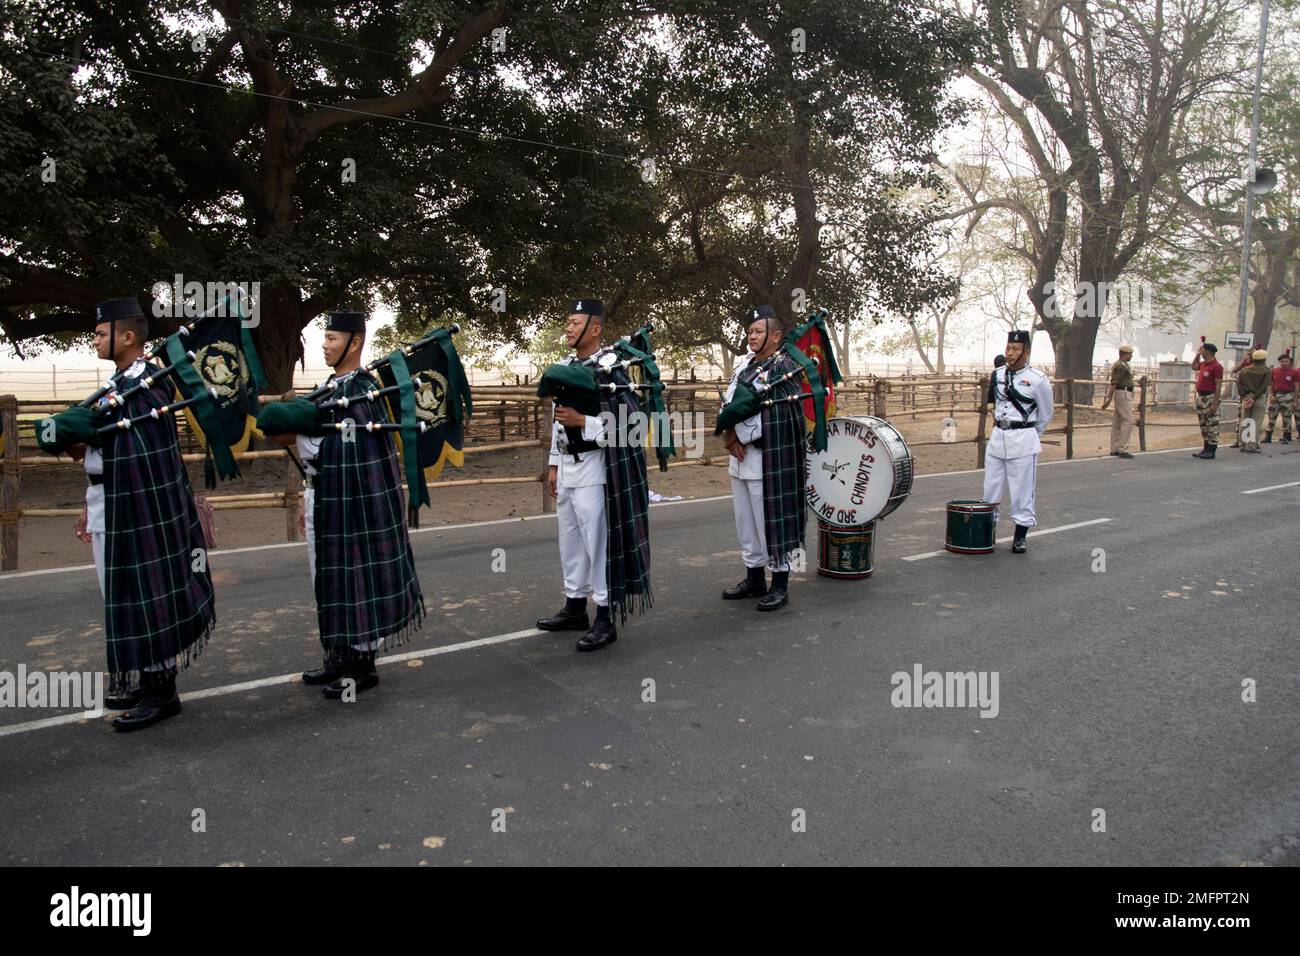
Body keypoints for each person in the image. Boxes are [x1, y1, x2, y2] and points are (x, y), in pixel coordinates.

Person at [38, 297, 216, 730]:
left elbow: (143, 452)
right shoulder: (118, 385)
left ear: (129, 336)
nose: (95, 339)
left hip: (136, 504)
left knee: (145, 591)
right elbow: (94, 451)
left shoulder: (149, 386)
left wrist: (91, 433)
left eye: (102, 333)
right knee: (119, 594)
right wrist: (69, 437)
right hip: (109, 499)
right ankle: (145, 676)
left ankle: (161, 691)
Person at [259, 311, 424, 698]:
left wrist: (304, 434)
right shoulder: (330, 388)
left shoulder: (363, 392)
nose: (325, 345)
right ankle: (337, 653)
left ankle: (361, 665)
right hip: (324, 494)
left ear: (354, 343)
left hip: (352, 501)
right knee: (327, 576)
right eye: (325, 337)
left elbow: (357, 453)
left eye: (332, 338)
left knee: (355, 576)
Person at [536, 299, 653, 650]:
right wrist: (553, 465)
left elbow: (632, 426)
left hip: (595, 467)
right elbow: (558, 419)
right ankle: (575, 607)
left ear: (596, 329)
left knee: (598, 544)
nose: (569, 328)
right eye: (568, 322)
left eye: (576, 322)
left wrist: (583, 421)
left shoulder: (611, 369)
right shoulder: (565, 367)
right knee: (570, 541)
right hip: (567, 467)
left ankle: (605, 616)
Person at [719, 305, 808, 610]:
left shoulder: (785, 367)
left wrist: (738, 435)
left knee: (770, 522)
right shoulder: (744, 367)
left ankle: (780, 584)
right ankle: (754, 577)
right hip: (739, 459)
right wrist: (728, 433)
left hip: (767, 459)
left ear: (776, 335)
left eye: (758, 331)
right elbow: (728, 404)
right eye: (750, 332)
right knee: (746, 523)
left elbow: (782, 414)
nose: (752, 336)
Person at [982, 329, 1054, 554]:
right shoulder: (998, 374)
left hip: (1023, 439)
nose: (1010, 353)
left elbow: (1046, 414)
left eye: (1015, 349)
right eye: (1008, 348)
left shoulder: (1037, 379)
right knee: (990, 488)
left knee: (1022, 490)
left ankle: (1020, 535)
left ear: (1026, 352)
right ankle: (987, 531)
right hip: (998, 437)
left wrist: (1030, 433)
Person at [1101, 344, 1136, 459]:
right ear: (1125, 354)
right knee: (1128, 420)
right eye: (1130, 354)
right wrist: (1109, 398)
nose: (1131, 356)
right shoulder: (1120, 366)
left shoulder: (1123, 365)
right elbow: (1114, 383)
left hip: (1123, 392)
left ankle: (1115, 448)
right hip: (1123, 392)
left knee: (1117, 421)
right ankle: (1123, 448)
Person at [1191, 341, 1223, 459]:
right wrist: (1197, 355)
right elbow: (1194, 366)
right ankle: (1205, 448)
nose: (1201, 351)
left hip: (1210, 397)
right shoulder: (1203, 364)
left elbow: (1218, 385)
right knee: (1204, 425)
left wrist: (1215, 403)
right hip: (1201, 397)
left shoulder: (1217, 366)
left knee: (1212, 424)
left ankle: (1212, 449)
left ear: (1208, 351)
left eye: (1202, 350)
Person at [1237, 349, 1271, 454]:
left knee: (1245, 420)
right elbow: (1264, 386)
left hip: (1246, 397)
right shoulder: (1266, 371)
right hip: (1258, 398)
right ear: (1264, 359)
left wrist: (1244, 397)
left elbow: (1239, 384)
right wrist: (1254, 398)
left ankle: (1243, 444)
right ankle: (1251, 445)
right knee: (1256, 422)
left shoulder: (1244, 370)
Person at [1264, 350, 1298, 444]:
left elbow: (1296, 386)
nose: (1284, 363)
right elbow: (1270, 384)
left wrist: (1295, 399)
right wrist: (1270, 395)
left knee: (1287, 416)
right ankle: (1268, 437)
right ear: (1279, 362)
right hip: (1275, 395)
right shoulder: (1274, 371)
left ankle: (1286, 436)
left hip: (1288, 395)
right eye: (1282, 361)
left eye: (1286, 361)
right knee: (1272, 416)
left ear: (1289, 362)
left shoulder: (1294, 372)